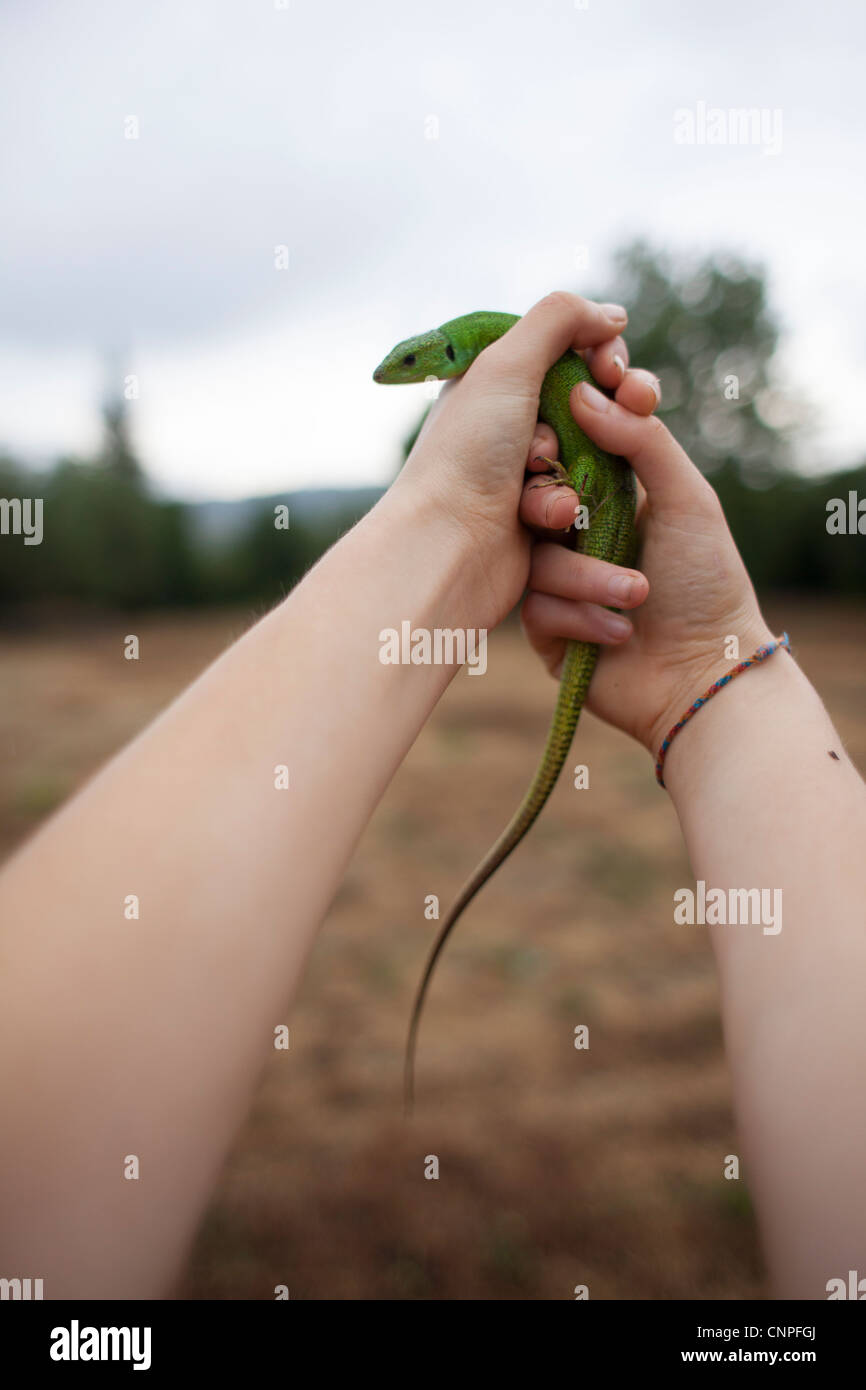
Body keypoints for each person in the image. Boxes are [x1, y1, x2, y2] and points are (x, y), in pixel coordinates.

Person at [0, 293, 862, 1301]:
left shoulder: (499, 351)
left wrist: (459, 531)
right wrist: (700, 664)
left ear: (452, 355)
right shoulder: (497, 365)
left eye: (416, 363)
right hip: (624, 569)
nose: (401, 372)